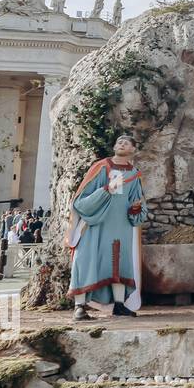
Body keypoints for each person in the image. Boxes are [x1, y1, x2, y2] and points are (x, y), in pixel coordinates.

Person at [66, 134, 148, 320]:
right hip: (95, 223)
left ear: (133, 150)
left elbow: (138, 204)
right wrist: (105, 190)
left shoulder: (135, 174)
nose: (122, 143)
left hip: (120, 226)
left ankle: (119, 305)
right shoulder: (101, 167)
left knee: (118, 263)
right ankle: (79, 306)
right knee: (86, 260)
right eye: (119, 141)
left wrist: (136, 207)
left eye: (126, 142)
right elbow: (80, 201)